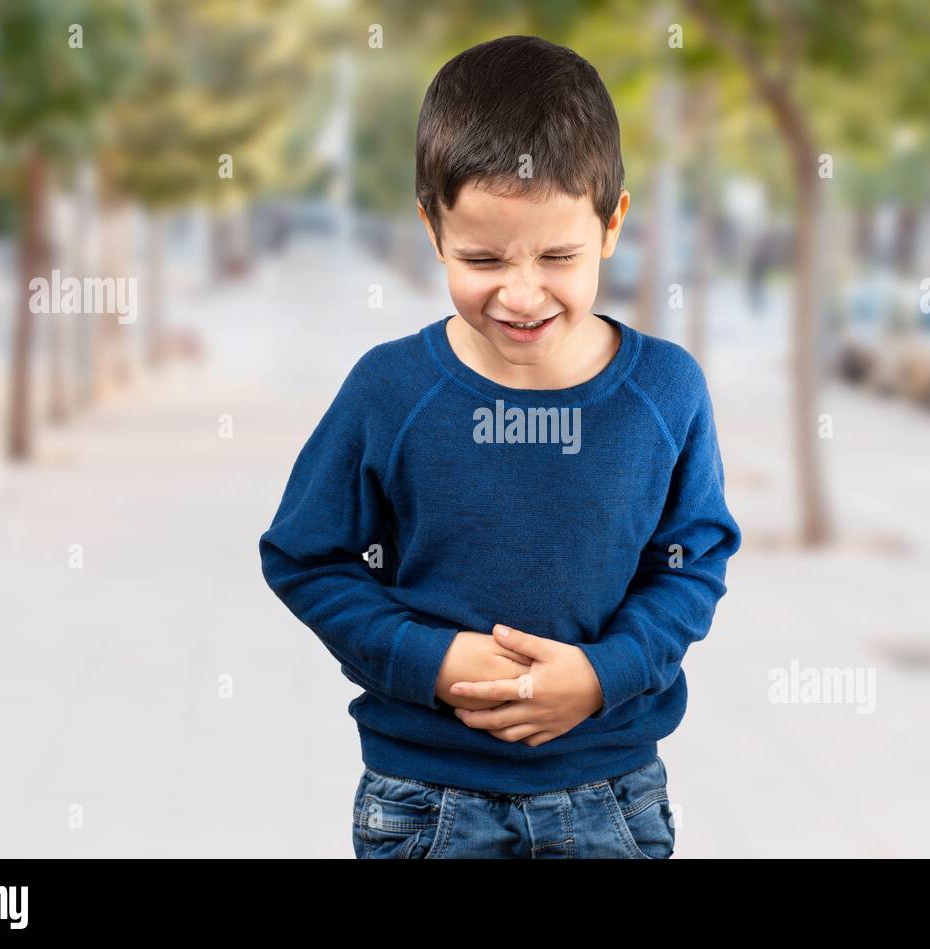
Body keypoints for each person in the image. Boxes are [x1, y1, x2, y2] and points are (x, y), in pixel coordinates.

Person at [259, 34, 741, 858]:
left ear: (612, 223)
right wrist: (433, 660)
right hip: (424, 801)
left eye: (559, 255)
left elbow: (692, 565)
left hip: (611, 796)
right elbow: (306, 557)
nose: (522, 294)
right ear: (432, 228)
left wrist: (602, 676)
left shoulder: (666, 392)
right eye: (483, 257)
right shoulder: (389, 390)